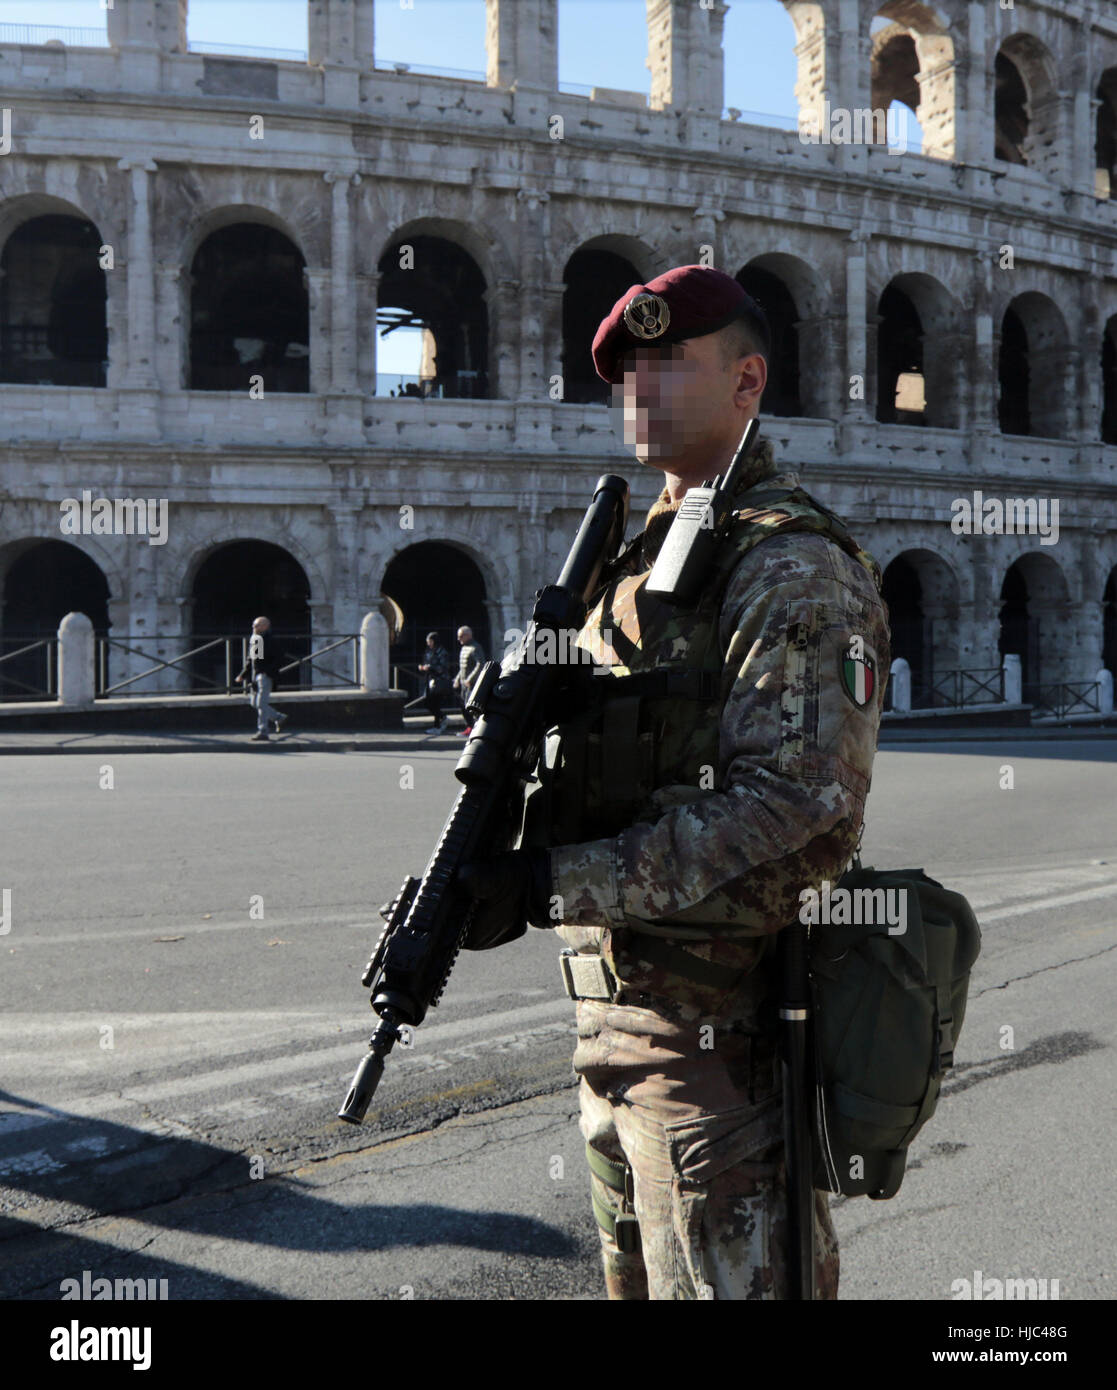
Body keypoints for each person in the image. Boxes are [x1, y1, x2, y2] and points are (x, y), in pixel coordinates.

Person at [455, 265, 890, 1300]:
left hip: (718, 1050)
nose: (639, 389)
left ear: (746, 382)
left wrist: (547, 885)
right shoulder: (639, 555)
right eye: (627, 371)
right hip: (614, 1024)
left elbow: (795, 804)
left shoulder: (790, 565)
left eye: (668, 364)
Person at [234, 615, 288, 742]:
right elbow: (251, 660)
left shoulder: (271, 640)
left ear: (265, 626)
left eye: (257, 625)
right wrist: (243, 674)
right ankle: (279, 718)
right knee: (254, 703)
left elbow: (280, 658)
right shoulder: (256, 639)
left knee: (261, 703)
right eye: (254, 625)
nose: (254, 627)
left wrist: (268, 672)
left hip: (265, 675)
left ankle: (263, 731)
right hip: (255, 676)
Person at [453, 625, 487, 736]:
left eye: (461, 636)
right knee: (463, 706)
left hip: (472, 684)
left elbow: (480, 664)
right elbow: (462, 667)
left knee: (471, 708)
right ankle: (469, 727)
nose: (459, 639)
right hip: (464, 684)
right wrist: (458, 679)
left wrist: (470, 678)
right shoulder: (464, 647)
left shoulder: (476, 647)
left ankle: (476, 729)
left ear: (468, 635)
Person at [417, 631, 453, 732]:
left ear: (434, 641)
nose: (428, 643)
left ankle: (437, 725)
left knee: (435, 702)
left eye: (430, 641)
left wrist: (431, 667)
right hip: (429, 680)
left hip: (439, 681)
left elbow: (444, 667)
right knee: (427, 701)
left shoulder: (442, 652)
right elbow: (426, 661)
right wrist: (423, 667)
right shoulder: (428, 651)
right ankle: (441, 718)